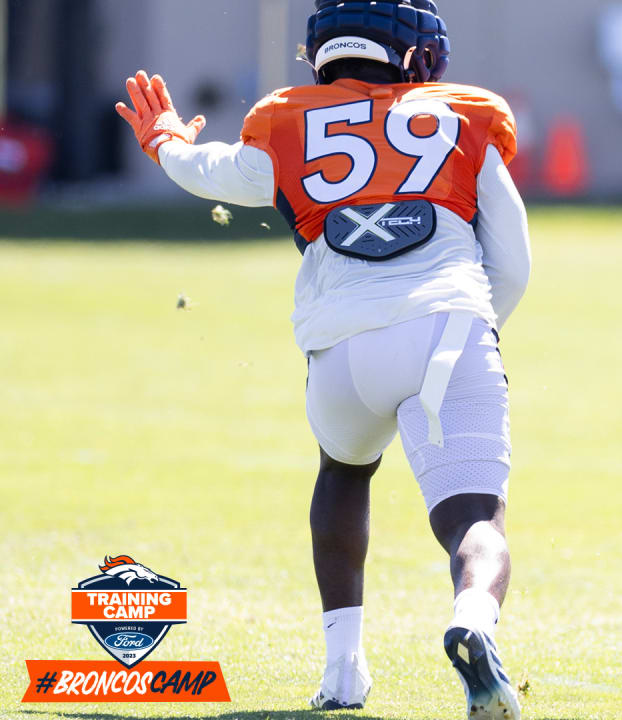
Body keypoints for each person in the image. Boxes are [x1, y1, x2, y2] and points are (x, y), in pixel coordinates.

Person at [115, 2, 529, 717]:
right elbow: (513, 264)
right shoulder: (466, 114)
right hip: (445, 323)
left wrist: (164, 140)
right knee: (473, 521)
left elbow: (212, 172)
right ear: (412, 53)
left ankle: (343, 671)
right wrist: (471, 335)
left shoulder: (283, 116)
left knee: (342, 472)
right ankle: (472, 619)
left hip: (336, 345)